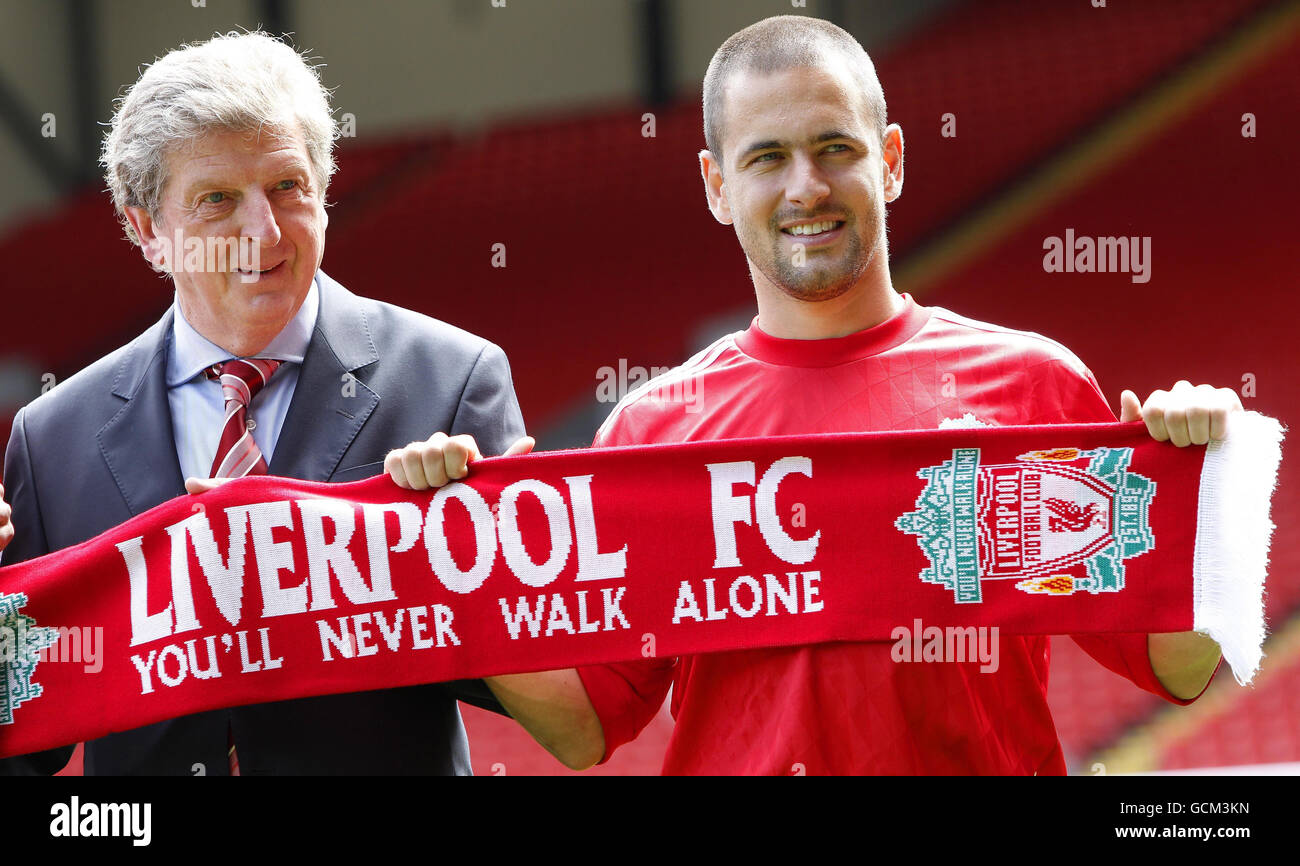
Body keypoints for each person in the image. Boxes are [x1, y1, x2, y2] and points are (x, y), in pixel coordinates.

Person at [384, 16, 1244, 775]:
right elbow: (585, 728)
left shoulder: (1031, 388)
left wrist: (1211, 487)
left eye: (835, 147)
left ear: (892, 160)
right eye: (767, 158)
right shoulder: (652, 432)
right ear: (718, 187)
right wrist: (459, 561)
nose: (806, 187)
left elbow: (1175, 665)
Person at [0, 31, 527, 775]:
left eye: (287, 186)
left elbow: (541, 681)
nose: (265, 231)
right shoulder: (53, 436)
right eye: (218, 200)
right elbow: (23, 740)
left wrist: (452, 548)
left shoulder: (451, 378)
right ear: (146, 228)